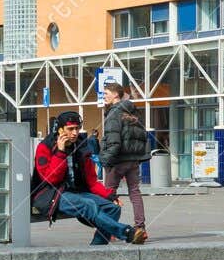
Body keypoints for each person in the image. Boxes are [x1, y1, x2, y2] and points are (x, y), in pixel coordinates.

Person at [33, 111, 147, 245]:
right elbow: (50, 180)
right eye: (70, 129)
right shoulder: (45, 147)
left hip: (77, 193)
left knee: (112, 208)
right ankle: (128, 233)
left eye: (77, 128)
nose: (75, 133)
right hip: (51, 195)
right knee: (88, 205)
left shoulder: (82, 146)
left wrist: (110, 196)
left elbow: (91, 181)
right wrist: (60, 152)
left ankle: (97, 247)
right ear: (59, 130)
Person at [101, 86, 150, 233]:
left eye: (106, 93)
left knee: (108, 193)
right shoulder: (133, 112)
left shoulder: (114, 113)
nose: (104, 96)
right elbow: (142, 136)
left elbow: (114, 140)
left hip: (118, 159)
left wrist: (106, 159)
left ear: (116, 95)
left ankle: (108, 229)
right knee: (135, 192)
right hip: (133, 160)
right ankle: (140, 227)